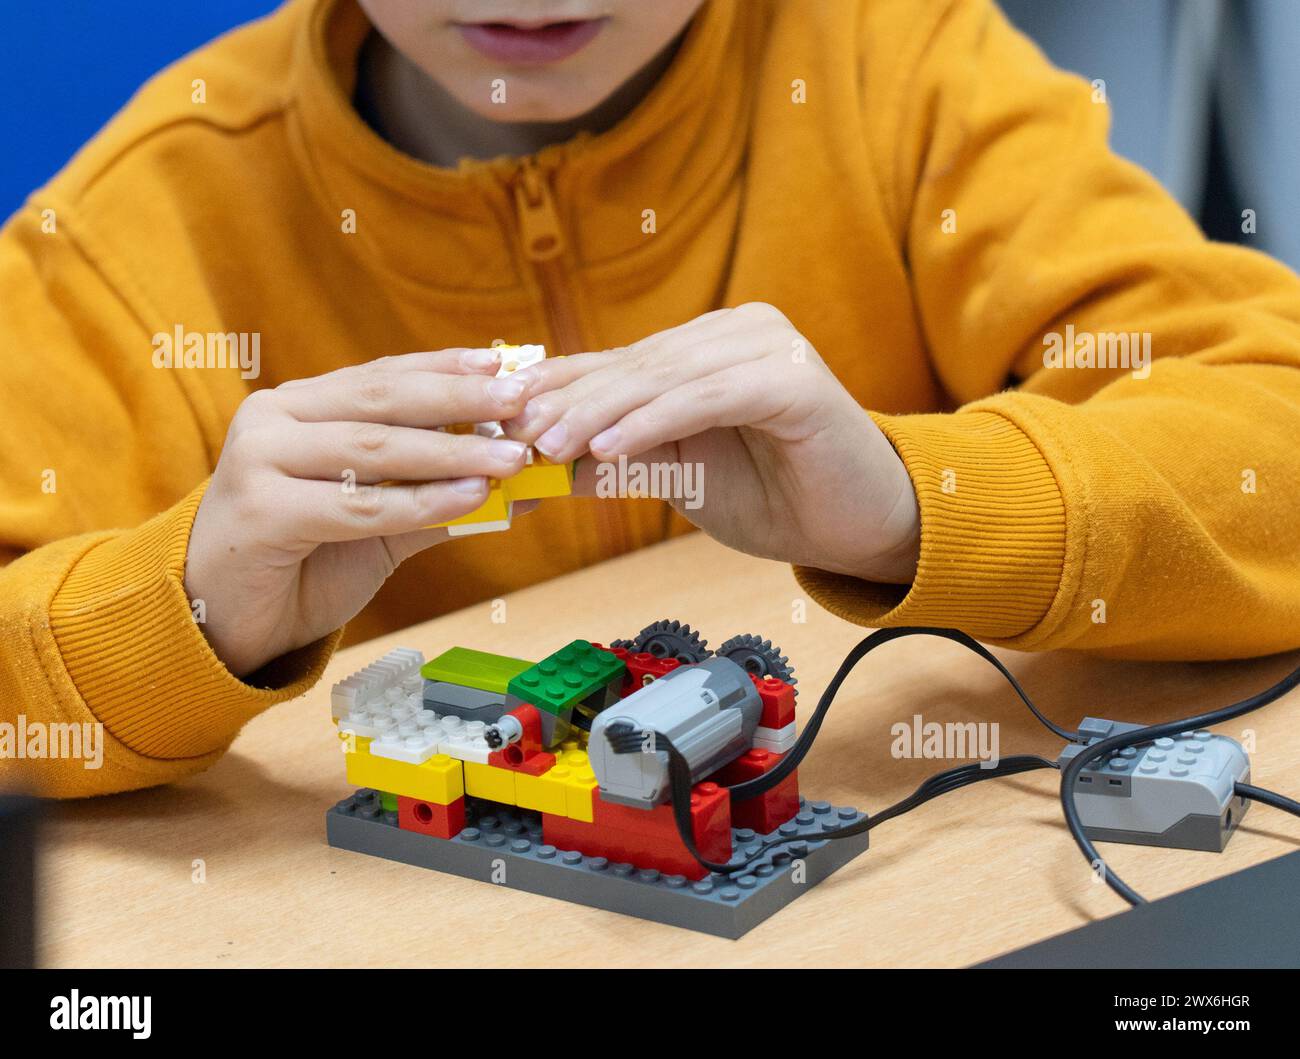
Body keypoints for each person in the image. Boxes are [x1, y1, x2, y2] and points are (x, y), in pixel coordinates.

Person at [2, 0, 1298, 797]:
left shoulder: (894, 61)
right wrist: (192, 609)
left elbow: (1270, 429)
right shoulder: (129, 234)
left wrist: (918, 504)